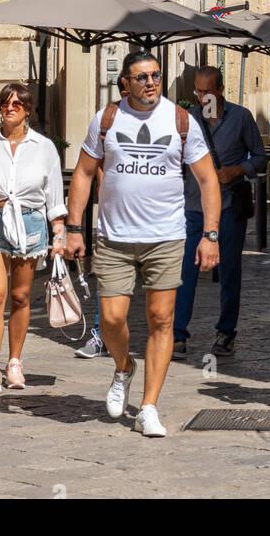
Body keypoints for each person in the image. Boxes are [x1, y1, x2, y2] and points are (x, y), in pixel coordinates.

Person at [65, 52, 221, 437]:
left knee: (161, 320)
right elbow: (84, 173)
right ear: (125, 85)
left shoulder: (181, 120)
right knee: (114, 320)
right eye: (141, 77)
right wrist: (72, 227)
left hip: (165, 237)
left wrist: (211, 234)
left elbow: (208, 181)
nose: (150, 82)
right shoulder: (107, 119)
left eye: (155, 76)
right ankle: (123, 368)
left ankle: (149, 406)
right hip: (114, 237)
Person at [0, 82, 66, 393]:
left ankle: (15, 362)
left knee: (20, 297)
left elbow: (55, 201)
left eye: (17, 104)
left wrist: (58, 238)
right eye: (5, 103)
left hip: (31, 225)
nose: (10, 107)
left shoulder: (44, 148)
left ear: (28, 110)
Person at [173, 65, 267, 359]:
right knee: (185, 271)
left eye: (208, 91)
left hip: (228, 207)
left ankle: (226, 333)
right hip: (192, 207)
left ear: (221, 90)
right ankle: (178, 335)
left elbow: (261, 157)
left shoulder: (241, 118)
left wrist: (237, 170)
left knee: (229, 273)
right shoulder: (186, 120)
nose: (203, 97)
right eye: (198, 92)